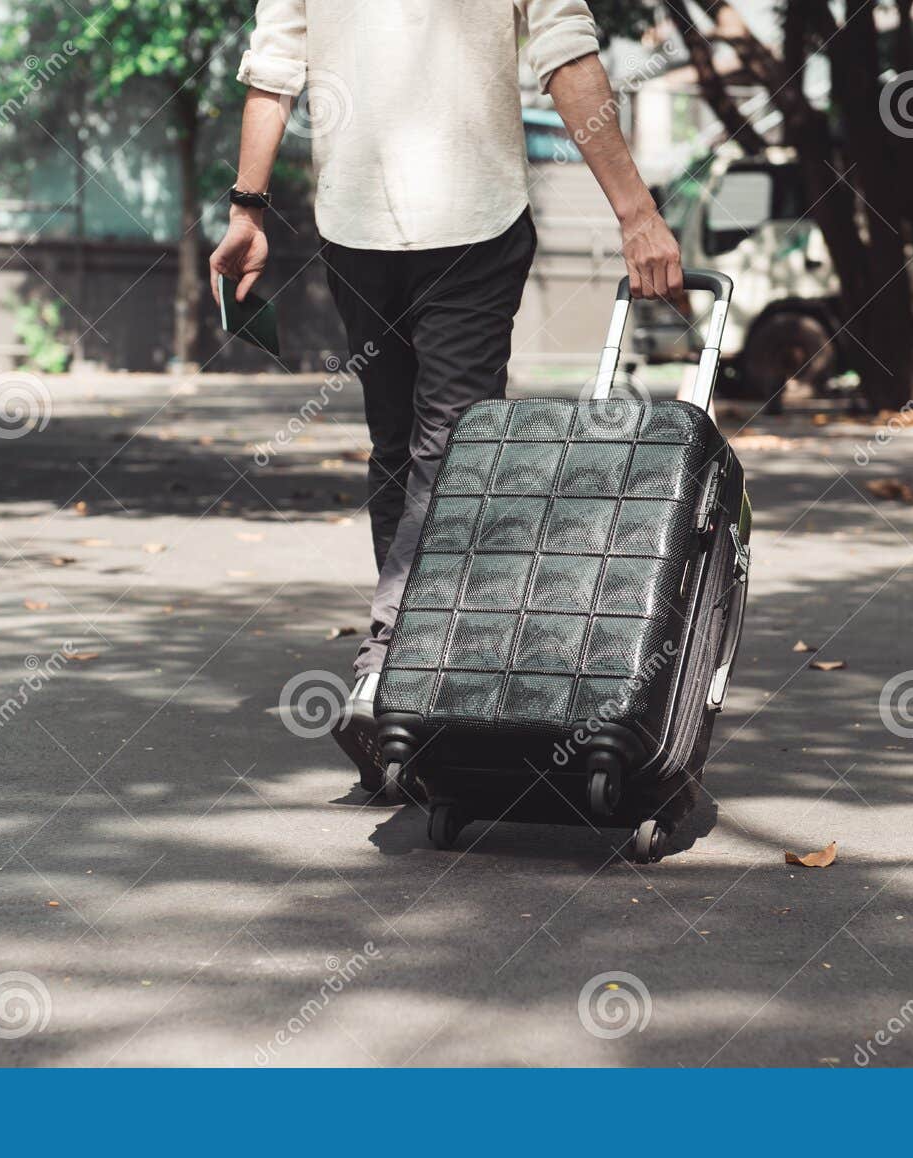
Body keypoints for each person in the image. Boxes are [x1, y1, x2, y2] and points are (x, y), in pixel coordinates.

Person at [211, 0, 684, 781]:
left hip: (375, 223)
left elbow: (274, 67)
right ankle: (400, 670)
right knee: (436, 452)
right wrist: (635, 211)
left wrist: (248, 209)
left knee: (417, 450)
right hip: (445, 215)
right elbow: (564, 53)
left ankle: (394, 670)